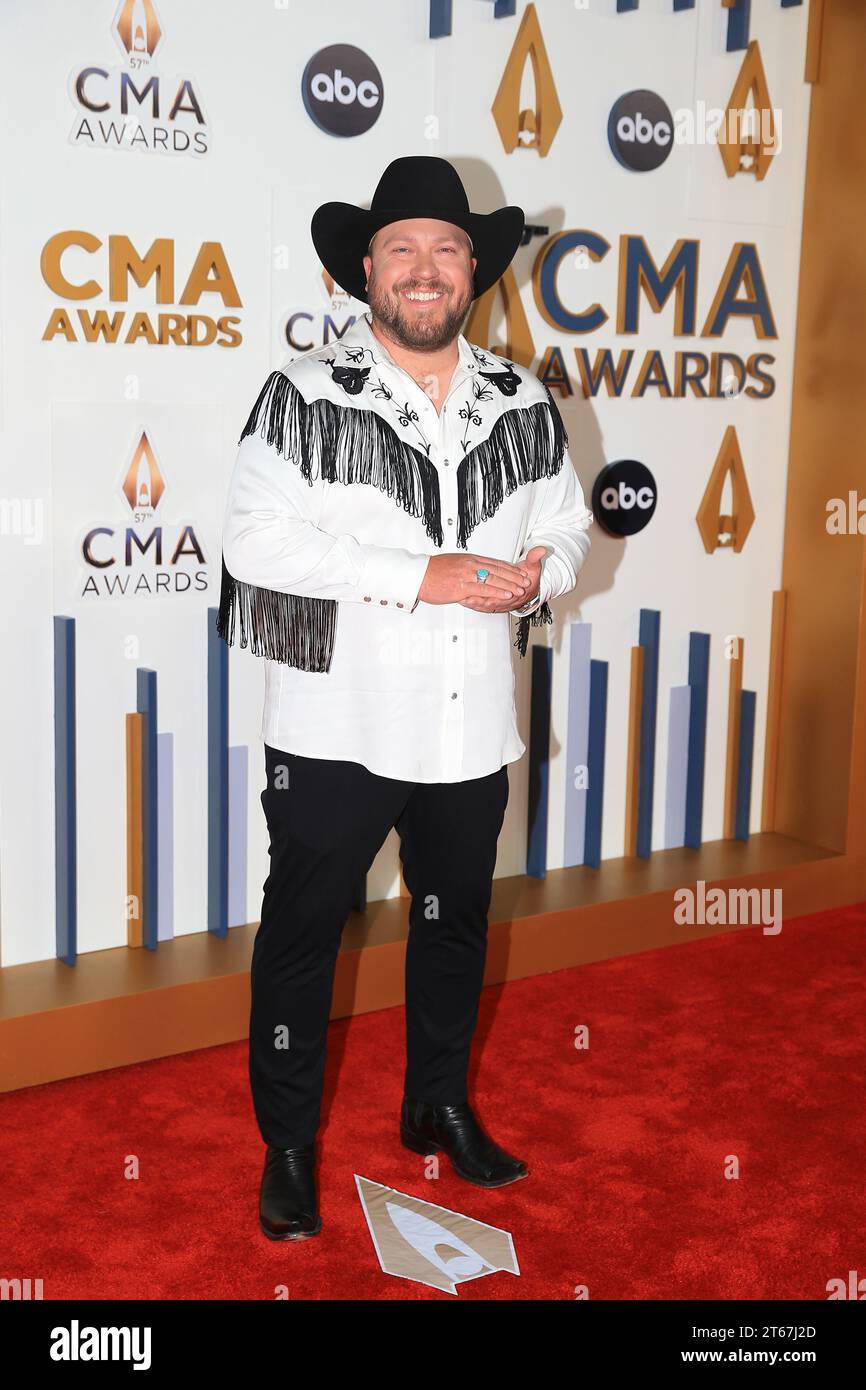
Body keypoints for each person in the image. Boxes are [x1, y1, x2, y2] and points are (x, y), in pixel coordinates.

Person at [218, 155, 593, 1240]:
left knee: (452, 928)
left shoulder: (521, 396)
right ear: (361, 272)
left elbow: (564, 521)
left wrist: (540, 569)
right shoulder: (301, 393)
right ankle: (286, 1146)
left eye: (445, 249)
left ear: (472, 269)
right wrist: (418, 573)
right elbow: (254, 539)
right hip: (336, 723)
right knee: (301, 937)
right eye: (401, 251)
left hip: (469, 722)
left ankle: (436, 1106)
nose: (423, 271)